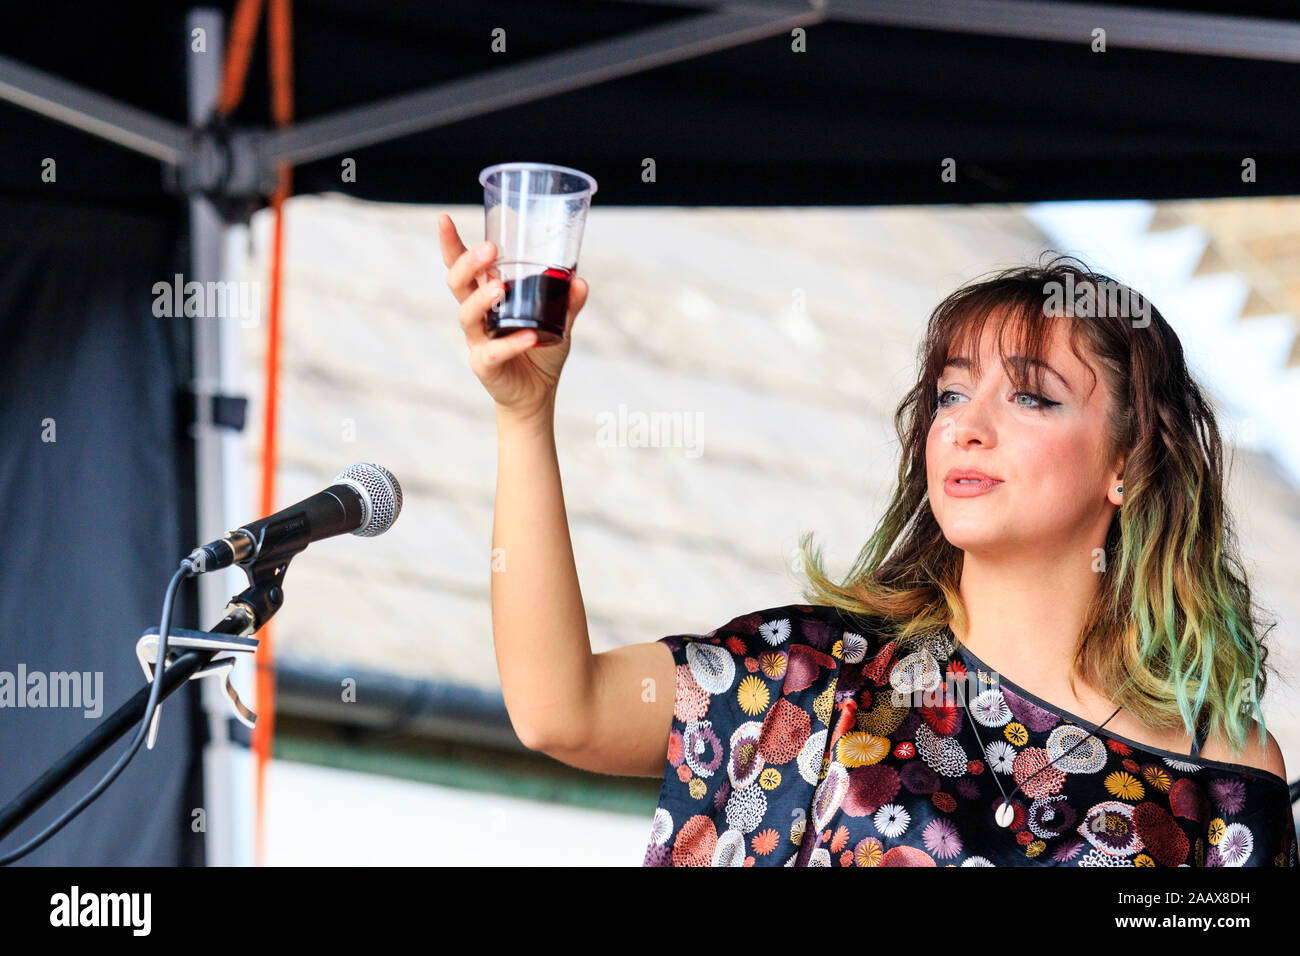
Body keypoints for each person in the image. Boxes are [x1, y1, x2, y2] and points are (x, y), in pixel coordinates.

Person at [439, 216, 1295, 867]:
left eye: (1031, 397)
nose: (966, 426)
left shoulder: (1221, 773)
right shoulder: (816, 675)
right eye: (951, 395)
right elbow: (560, 709)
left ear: (1128, 463)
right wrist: (525, 416)